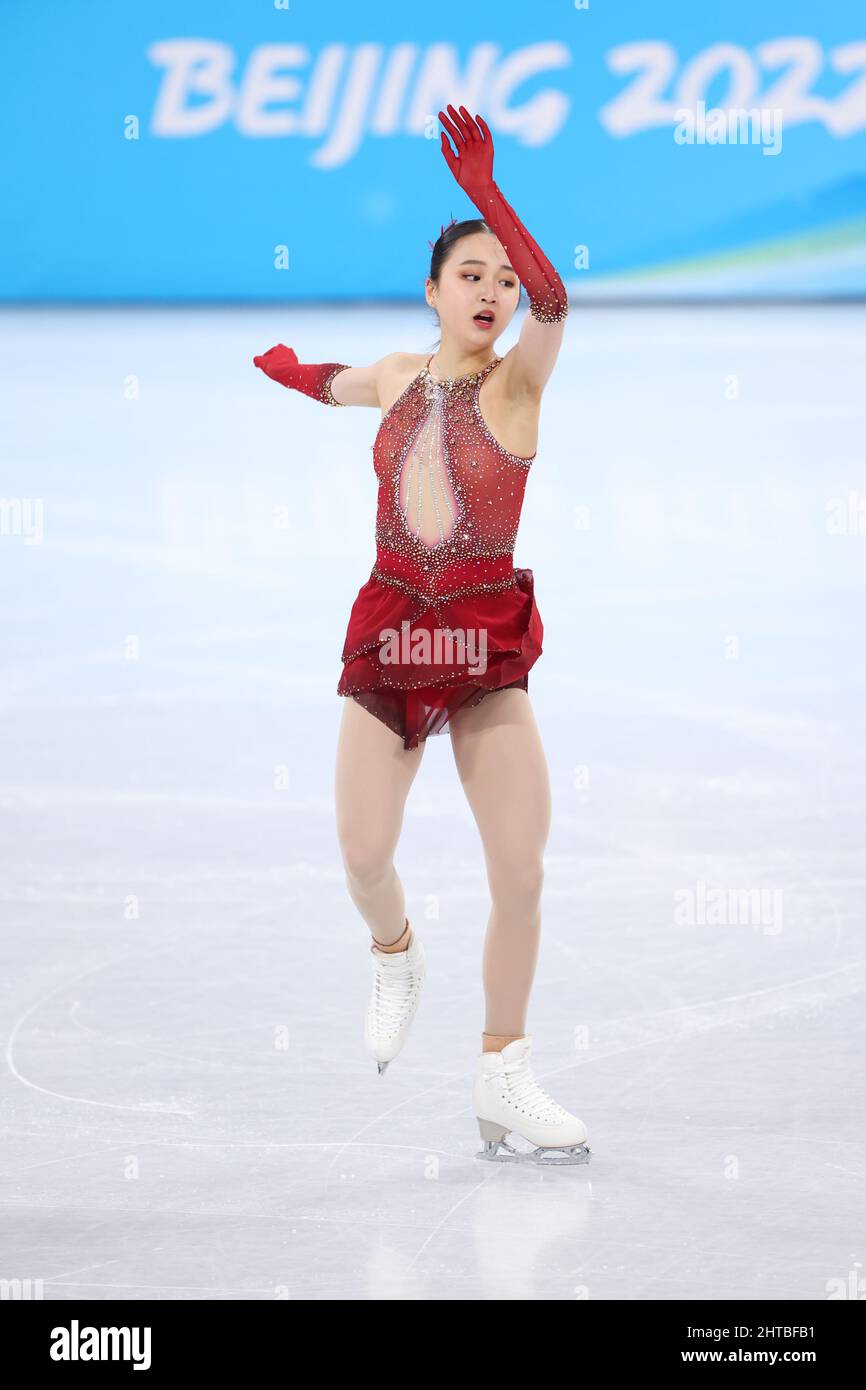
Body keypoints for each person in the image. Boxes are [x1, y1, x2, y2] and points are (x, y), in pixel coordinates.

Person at [253, 105, 590, 1165]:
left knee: (522, 872)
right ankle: (395, 954)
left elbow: (553, 297)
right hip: (394, 629)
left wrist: (491, 196)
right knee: (362, 853)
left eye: (499, 277)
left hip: (480, 640)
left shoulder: (520, 386)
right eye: (468, 275)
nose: (491, 292)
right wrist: (294, 371)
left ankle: (502, 1071)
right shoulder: (402, 374)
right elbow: (339, 386)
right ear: (433, 292)